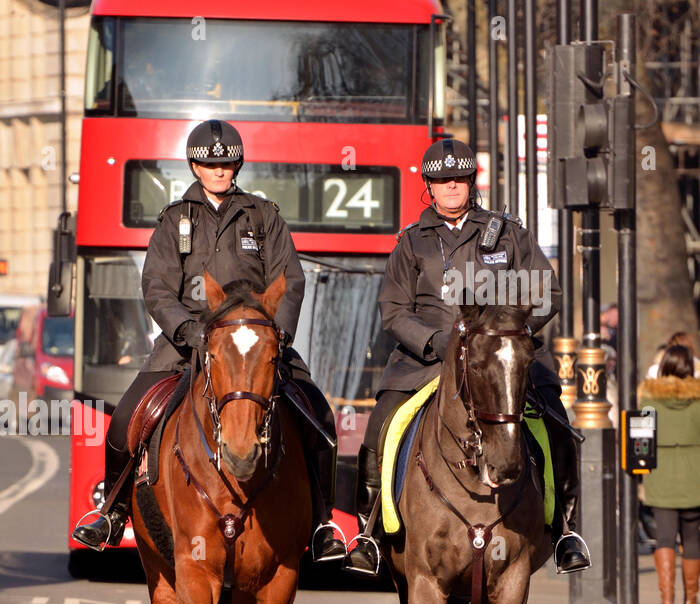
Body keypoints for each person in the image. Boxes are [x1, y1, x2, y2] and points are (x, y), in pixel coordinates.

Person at [72, 119, 348, 563]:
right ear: (195, 167)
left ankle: (321, 523)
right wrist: (189, 330)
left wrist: (276, 334)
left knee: (319, 417)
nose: (219, 170)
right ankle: (112, 511)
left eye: (227, 163)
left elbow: (290, 281)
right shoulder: (174, 220)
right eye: (210, 163)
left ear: (237, 165)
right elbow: (157, 287)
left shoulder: (263, 216)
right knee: (125, 420)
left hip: (255, 344)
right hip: (187, 345)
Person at [343, 138, 592, 576]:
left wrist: (511, 337)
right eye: (442, 180)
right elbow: (394, 311)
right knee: (380, 425)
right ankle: (368, 531)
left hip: (501, 359)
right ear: (430, 186)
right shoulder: (412, 243)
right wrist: (436, 342)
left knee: (557, 422)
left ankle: (567, 528)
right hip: (427, 361)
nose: (452, 187)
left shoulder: (508, 232)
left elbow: (547, 293)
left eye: (459, 178)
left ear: (470, 183)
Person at [640, 344, 700, 604]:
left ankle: (667, 599)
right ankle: (691, 599)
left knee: (664, 537)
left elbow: (641, 442)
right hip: (694, 474)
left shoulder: (650, 401)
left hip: (661, 475)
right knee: (692, 538)